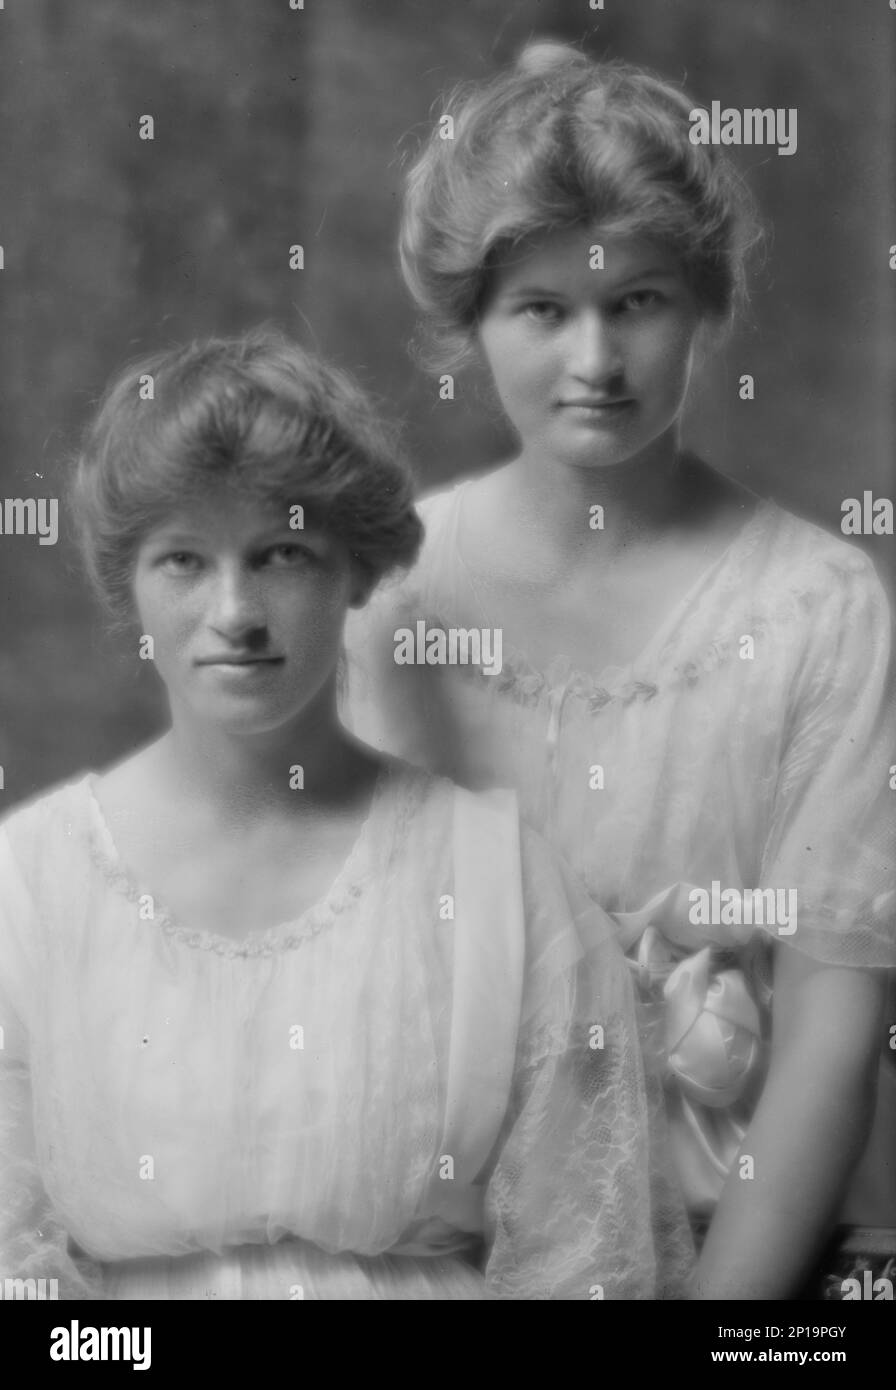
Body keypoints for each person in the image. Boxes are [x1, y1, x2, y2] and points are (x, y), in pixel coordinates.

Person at [342, 42, 896, 1299]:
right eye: (541, 309)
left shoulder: (815, 607)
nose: (592, 358)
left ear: (702, 310)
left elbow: (828, 1032)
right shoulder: (386, 595)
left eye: (635, 301)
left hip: (739, 1256)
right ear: (468, 322)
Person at [0, 327, 693, 1301]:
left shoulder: (499, 884)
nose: (235, 611)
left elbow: (583, 1268)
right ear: (129, 584)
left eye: (279, 553)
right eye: (184, 560)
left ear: (352, 569)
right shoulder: (28, 888)